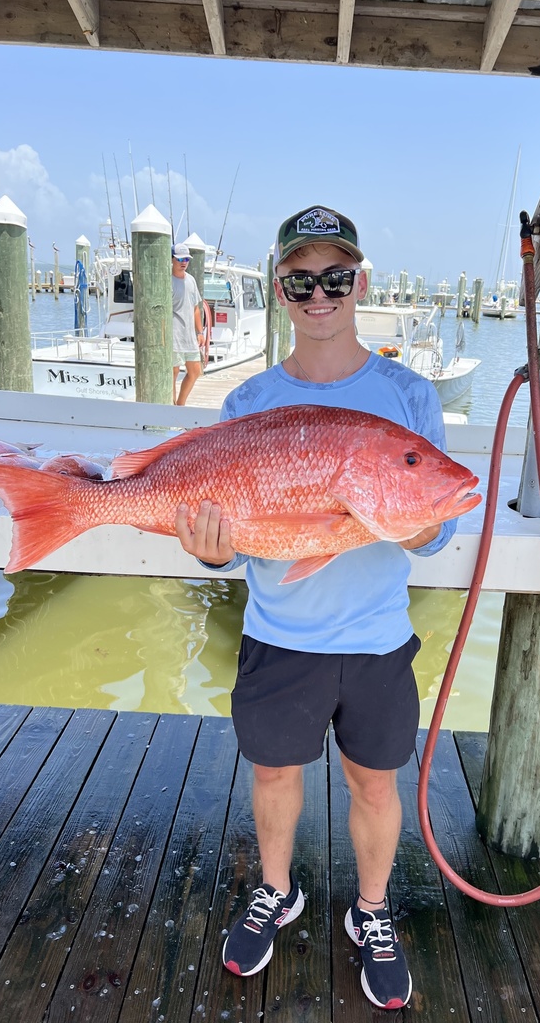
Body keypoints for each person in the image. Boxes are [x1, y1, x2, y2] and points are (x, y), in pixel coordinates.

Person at [175, 206, 456, 1011]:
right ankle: (276, 890)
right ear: (280, 290)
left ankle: (371, 911)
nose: (321, 293)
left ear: (360, 281)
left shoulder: (409, 395)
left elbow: (436, 532)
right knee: (273, 772)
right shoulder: (250, 400)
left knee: (375, 784)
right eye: (303, 279)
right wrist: (211, 548)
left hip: (375, 640)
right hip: (278, 633)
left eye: (336, 277)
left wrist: (430, 520)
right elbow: (226, 537)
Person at [171, 242, 204, 405]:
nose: (183, 262)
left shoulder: (190, 280)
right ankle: (171, 409)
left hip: (189, 335)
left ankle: (180, 405)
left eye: (186, 259)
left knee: (195, 371)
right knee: (173, 372)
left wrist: (200, 332)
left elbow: (195, 308)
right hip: (173, 335)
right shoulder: (166, 281)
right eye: (179, 259)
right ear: (171, 259)